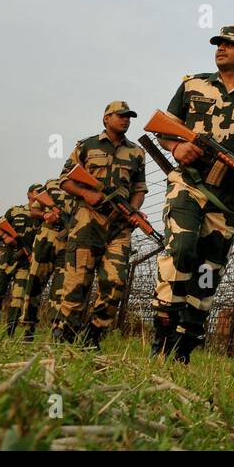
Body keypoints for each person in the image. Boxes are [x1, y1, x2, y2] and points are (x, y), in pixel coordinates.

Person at [150, 25, 234, 364]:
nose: (221, 48)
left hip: (228, 195)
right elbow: (163, 127)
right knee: (181, 246)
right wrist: (177, 147)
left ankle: (187, 337)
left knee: (209, 266)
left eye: (229, 45)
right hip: (188, 183)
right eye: (218, 43)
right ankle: (164, 326)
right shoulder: (193, 85)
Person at [52, 102, 147, 348]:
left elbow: (139, 188)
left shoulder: (136, 152)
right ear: (106, 118)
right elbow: (65, 180)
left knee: (116, 282)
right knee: (77, 282)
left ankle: (93, 333)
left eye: (129, 117)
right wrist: (86, 194)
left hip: (119, 226)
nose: (126, 120)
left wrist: (134, 211)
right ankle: (66, 334)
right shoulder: (86, 146)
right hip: (87, 221)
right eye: (121, 116)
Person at [17, 179, 74, 341]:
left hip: (68, 242)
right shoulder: (51, 185)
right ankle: (28, 327)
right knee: (34, 284)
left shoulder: (84, 188)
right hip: (46, 238)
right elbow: (34, 211)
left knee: (61, 288)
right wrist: (46, 214)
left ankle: (58, 328)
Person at [0, 185, 43, 333]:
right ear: (28, 194)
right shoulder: (15, 210)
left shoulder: (43, 215)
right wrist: (5, 236)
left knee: (18, 298)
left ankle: (10, 330)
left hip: (26, 261)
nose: (40, 195)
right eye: (37, 192)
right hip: (8, 257)